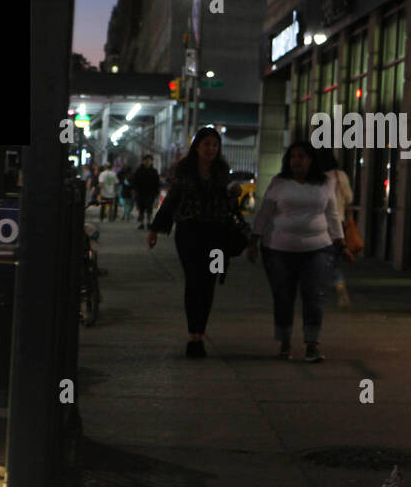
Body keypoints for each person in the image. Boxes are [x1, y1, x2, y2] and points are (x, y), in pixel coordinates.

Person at [247, 141, 349, 362]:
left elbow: (332, 215)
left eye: (302, 156)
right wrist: (254, 241)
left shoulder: (325, 183)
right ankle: (284, 342)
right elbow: (265, 213)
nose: (297, 161)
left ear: (311, 160)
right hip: (278, 249)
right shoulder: (279, 183)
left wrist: (341, 244)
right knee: (283, 296)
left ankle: (312, 344)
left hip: (318, 248)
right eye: (293, 157)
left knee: (313, 295)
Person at [147, 127, 241, 358]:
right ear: (197, 146)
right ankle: (193, 337)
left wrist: (233, 193)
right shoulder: (185, 171)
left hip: (217, 235)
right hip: (189, 233)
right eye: (207, 144)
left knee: (209, 282)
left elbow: (230, 204)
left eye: (215, 145)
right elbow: (171, 200)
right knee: (193, 280)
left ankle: (201, 332)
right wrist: (155, 228)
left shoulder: (222, 171)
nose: (211, 149)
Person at [317, 145, 355, 308]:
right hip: (339, 223)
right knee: (333, 259)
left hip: (322, 225)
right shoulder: (341, 176)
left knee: (322, 259)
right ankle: (338, 285)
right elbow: (349, 198)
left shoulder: (319, 178)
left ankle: (335, 284)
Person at [133, 154, 161, 230]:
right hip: (140, 193)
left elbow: (157, 183)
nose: (147, 162)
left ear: (151, 161)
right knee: (141, 208)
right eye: (146, 160)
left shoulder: (154, 171)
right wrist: (135, 190)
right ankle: (141, 223)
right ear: (143, 161)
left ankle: (149, 223)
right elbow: (135, 181)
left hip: (151, 193)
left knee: (149, 208)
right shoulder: (139, 171)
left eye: (149, 160)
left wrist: (157, 192)